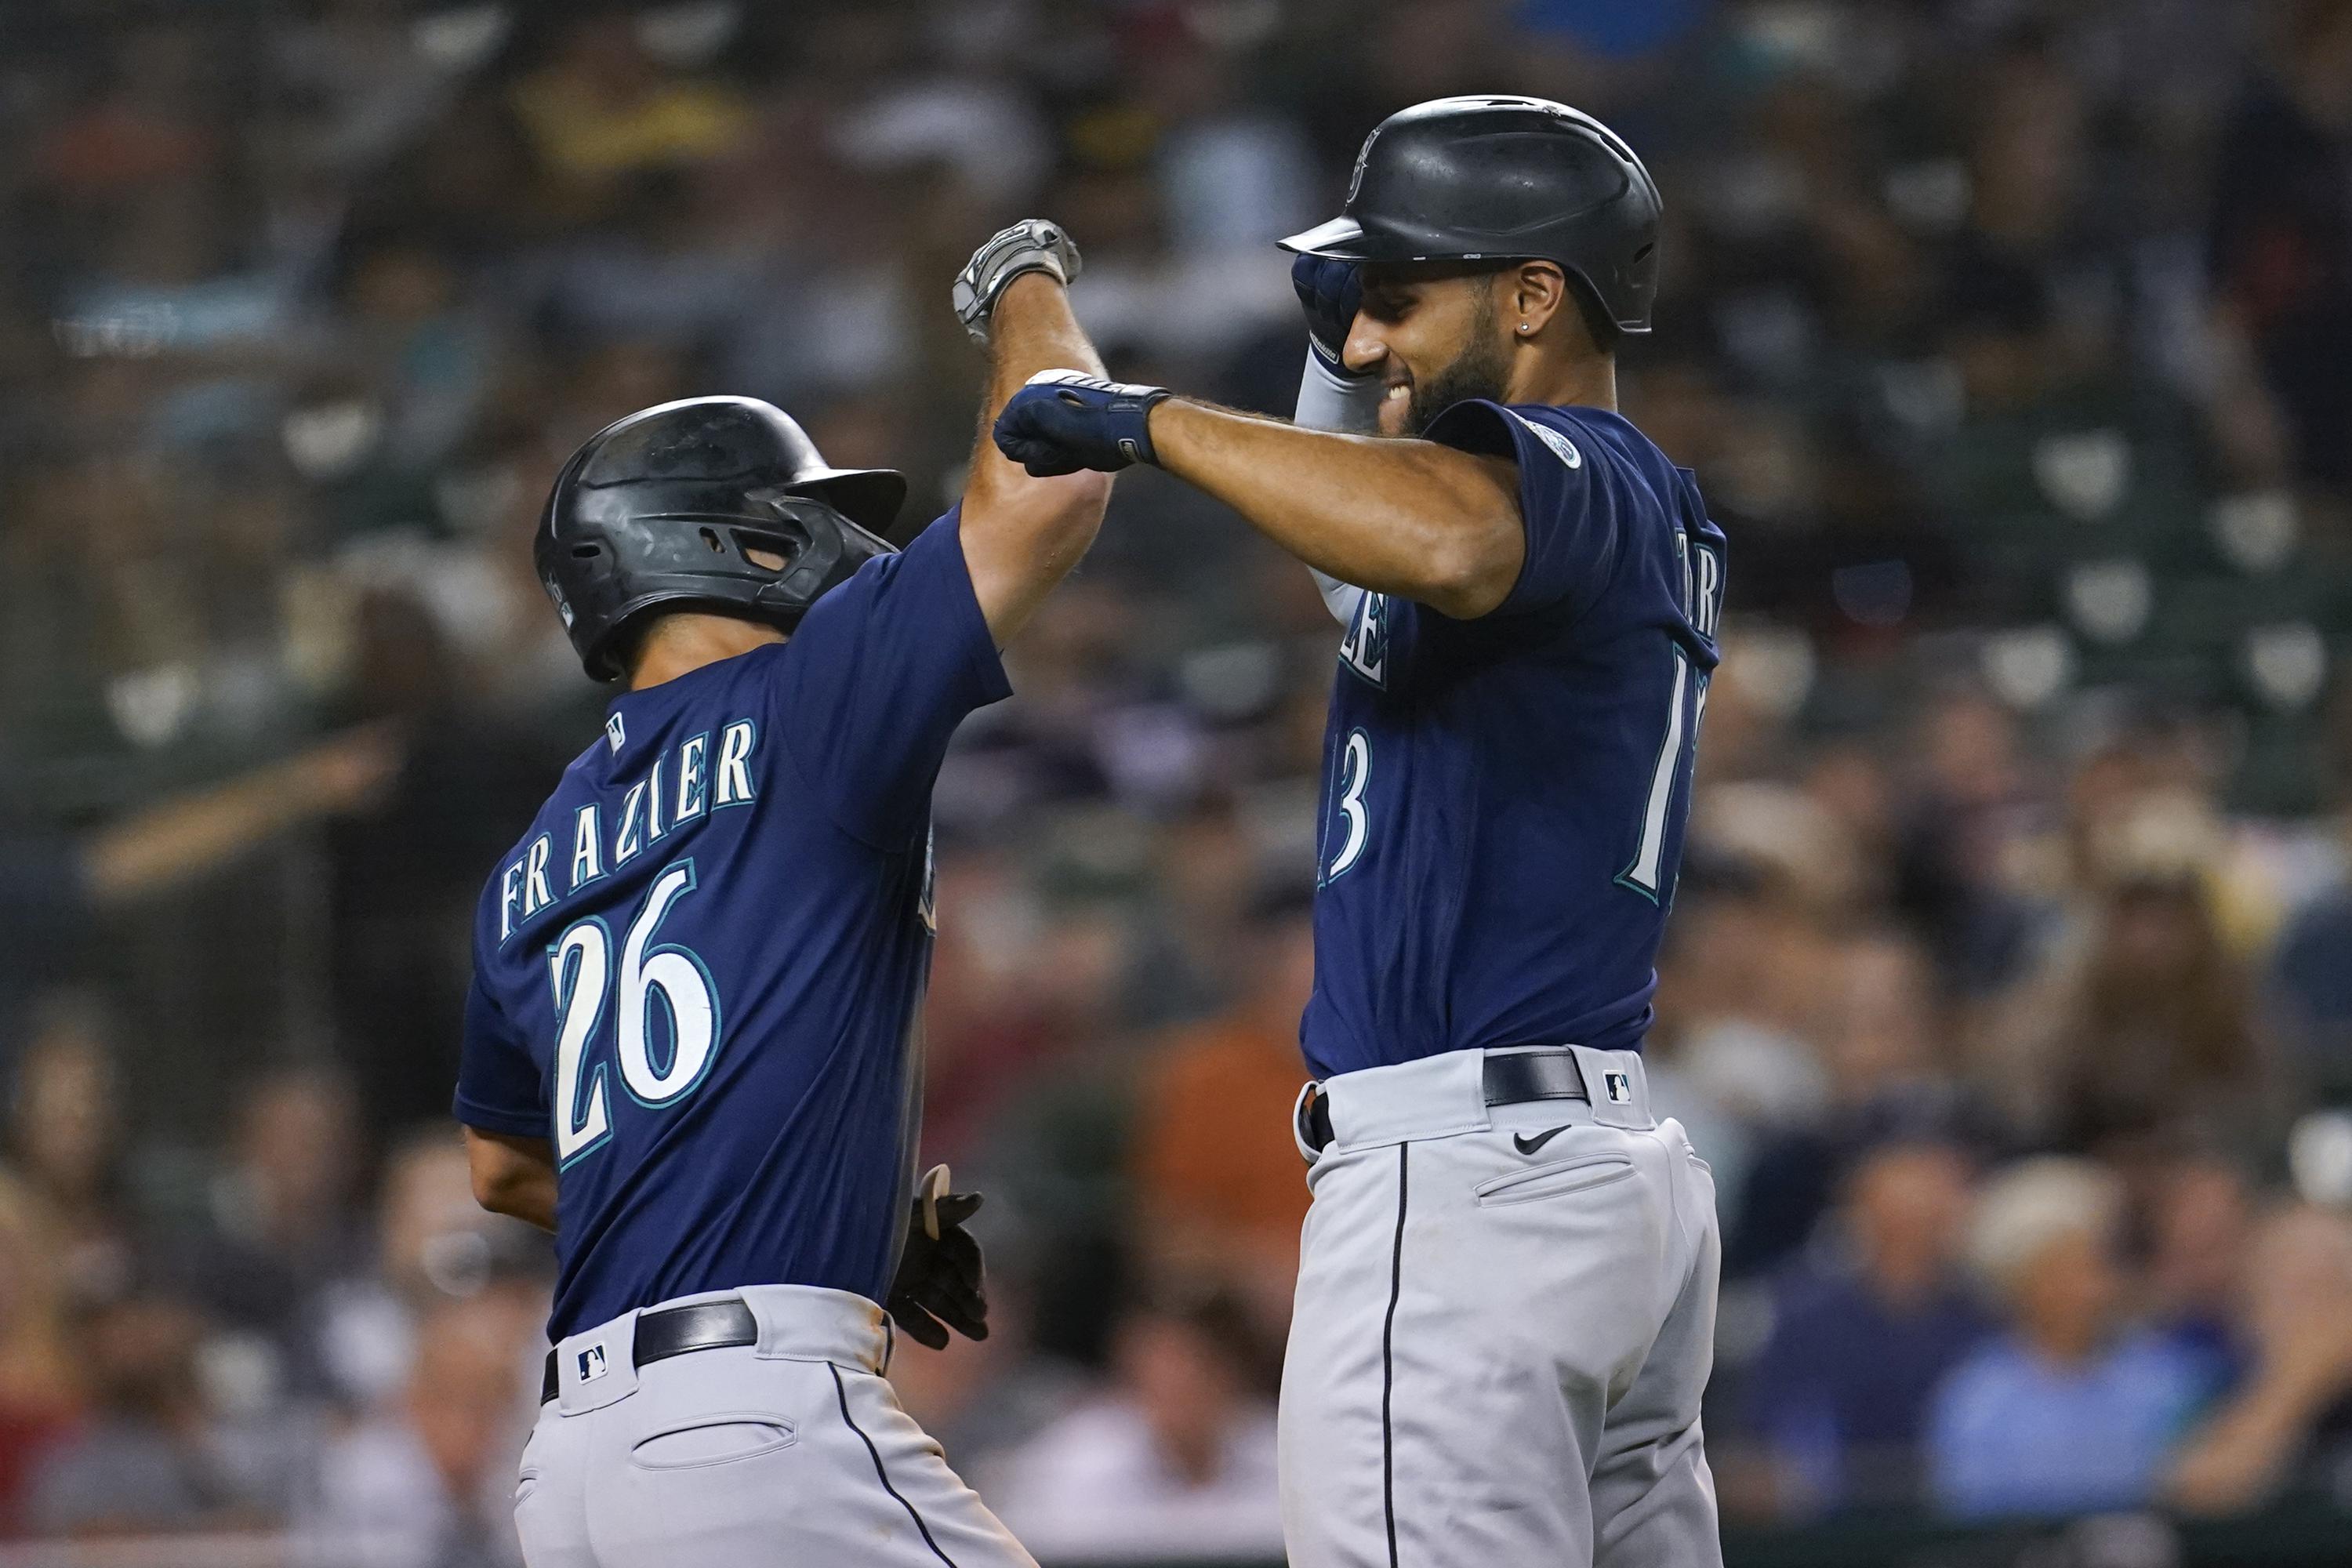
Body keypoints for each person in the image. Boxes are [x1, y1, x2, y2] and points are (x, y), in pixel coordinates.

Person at [996, 97, 1726, 1568]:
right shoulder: (1578, 528)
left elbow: (1440, 530)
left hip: (1468, 1183)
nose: (1372, 334)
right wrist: (1335, 373)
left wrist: (1150, 421)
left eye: (1401, 294)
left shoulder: (1575, 469)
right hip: (1577, 1172)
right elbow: (1370, 557)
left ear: (1534, 296)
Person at [452, 220, 1112, 1567]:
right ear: (720, 538)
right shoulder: (811, 694)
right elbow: (1057, 486)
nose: (837, 541)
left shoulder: (531, 859)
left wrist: (812, 1215)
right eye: (803, 514)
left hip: (570, 1470)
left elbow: (507, 1166)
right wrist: (1022, 276)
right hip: (754, 1427)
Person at [1925, 1157, 2205, 1519]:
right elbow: (1970, 1513)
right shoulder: (1980, 1399)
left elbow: (2196, 1484)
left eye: (2094, 1267)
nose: (2089, 1289)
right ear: (2022, 1289)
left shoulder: (2163, 1375)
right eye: (2064, 1274)